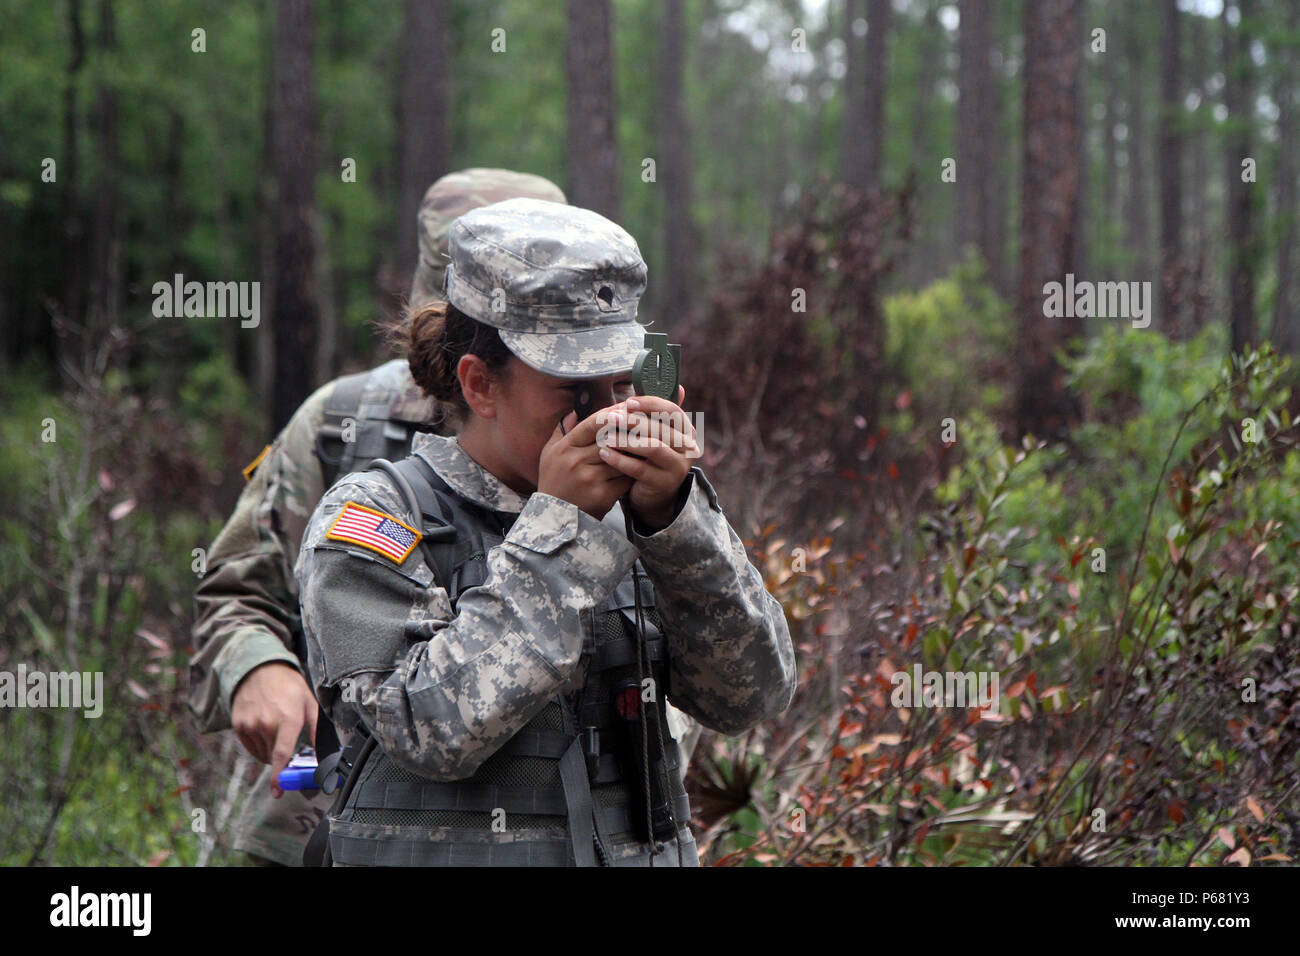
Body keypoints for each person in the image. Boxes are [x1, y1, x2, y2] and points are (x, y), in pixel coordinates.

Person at [294, 198, 797, 866]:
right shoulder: (378, 520)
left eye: (619, 384)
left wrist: (675, 522)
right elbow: (428, 730)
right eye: (572, 389)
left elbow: (751, 695)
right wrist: (560, 533)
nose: (606, 416)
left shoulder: (642, 511)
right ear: (480, 386)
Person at [187, 169, 605, 866]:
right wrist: (259, 665)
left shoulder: (601, 423)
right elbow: (235, 588)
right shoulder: (341, 424)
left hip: (565, 820)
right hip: (336, 815)